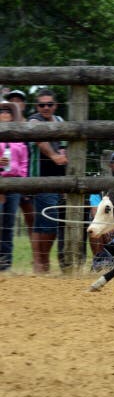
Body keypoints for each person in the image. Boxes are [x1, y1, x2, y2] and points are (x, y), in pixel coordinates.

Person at [28, 88, 68, 273]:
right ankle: (40, 262)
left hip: (59, 178)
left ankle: (41, 263)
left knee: (45, 221)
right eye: (42, 104)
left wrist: (63, 155)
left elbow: (66, 145)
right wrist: (54, 155)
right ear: (37, 106)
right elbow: (39, 140)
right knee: (47, 221)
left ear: (55, 105)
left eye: (49, 104)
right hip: (41, 177)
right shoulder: (34, 119)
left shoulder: (60, 121)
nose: (45, 107)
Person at [0, 101, 29, 271]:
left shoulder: (19, 140)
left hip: (15, 185)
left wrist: (23, 183)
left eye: (7, 111)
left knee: (9, 224)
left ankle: (6, 263)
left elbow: (24, 163)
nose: (4, 114)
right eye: (1, 111)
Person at [4, 89, 35, 240]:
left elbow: (27, 155)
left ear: (23, 104)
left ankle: (34, 257)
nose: (16, 103)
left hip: (25, 179)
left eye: (19, 100)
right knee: (5, 220)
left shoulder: (30, 124)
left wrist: (25, 182)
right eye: (12, 100)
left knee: (31, 219)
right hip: (7, 178)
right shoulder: (4, 123)